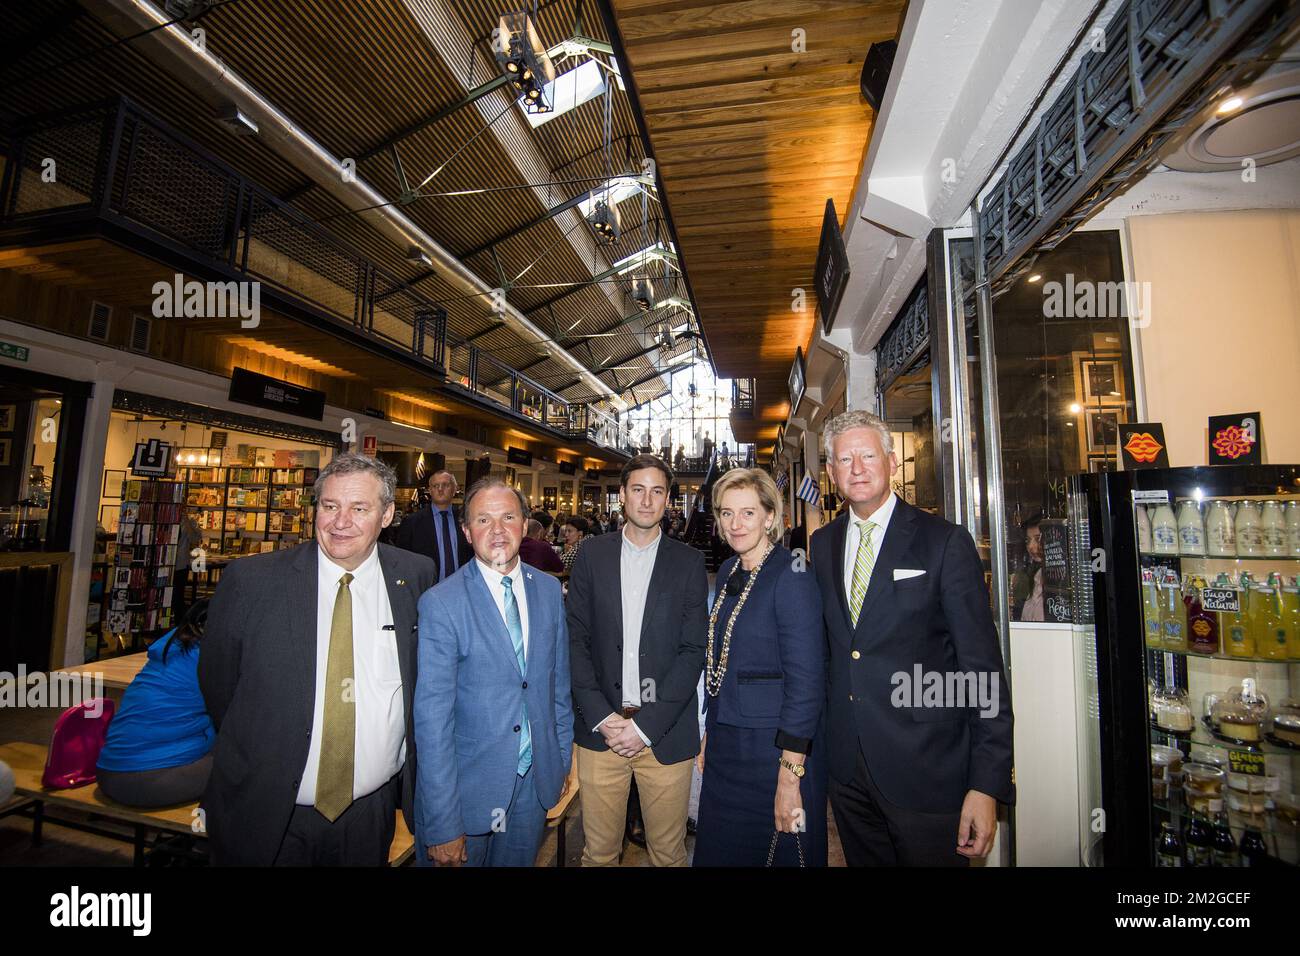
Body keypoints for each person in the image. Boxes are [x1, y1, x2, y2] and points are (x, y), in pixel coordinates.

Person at [199, 454, 436, 865]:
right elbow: (220, 689)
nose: (340, 522)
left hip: (370, 813)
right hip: (268, 811)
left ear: (387, 515)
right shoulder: (252, 582)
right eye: (329, 506)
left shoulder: (414, 575)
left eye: (359, 508)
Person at [810, 410, 1013, 866]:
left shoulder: (943, 542)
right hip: (848, 772)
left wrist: (986, 784)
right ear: (831, 471)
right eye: (844, 460)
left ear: (893, 461)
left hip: (928, 772)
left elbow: (980, 669)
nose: (857, 468)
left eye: (868, 455)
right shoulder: (822, 546)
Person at [414, 479, 573, 867]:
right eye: (483, 520)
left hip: (532, 787)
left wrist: (560, 759)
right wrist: (442, 822)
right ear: (467, 532)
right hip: (466, 795)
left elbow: (559, 689)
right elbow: (432, 721)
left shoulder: (549, 593)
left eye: (508, 517)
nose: (498, 530)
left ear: (525, 524)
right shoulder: (441, 603)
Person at [567, 454, 708, 867]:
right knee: (598, 856)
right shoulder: (591, 556)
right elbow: (575, 639)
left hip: (664, 734)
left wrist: (645, 726)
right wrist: (600, 715)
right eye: (638, 490)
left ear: (669, 501)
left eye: (658, 491)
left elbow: (692, 651)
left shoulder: (688, 562)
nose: (647, 501)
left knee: (668, 855)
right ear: (622, 496)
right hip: (601, 733)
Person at [693, 469, 825, 867]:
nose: (736, 524)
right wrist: (708, 734)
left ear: (770, 516)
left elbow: (806, 682)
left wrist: (790, 775)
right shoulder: (733, 569)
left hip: (773, 753)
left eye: (748, 513)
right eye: (727, 513)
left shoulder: (792, 573)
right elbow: (721, 658)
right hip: (726, 748)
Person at [96, 600, 215, 808]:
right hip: (147, 781)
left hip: (108, 769)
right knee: (248, 762)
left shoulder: (172, 649)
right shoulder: (208, 659)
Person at [395, 470, 472, 583]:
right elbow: (401, 559)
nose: (440, 489)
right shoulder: (412, 522)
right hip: (425, 588)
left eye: (445, 485)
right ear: (430, 490)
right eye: (435, 486)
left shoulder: (466, 520)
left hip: (461, 587)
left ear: (454, 489)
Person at [1011, 512, 1046, 622]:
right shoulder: (1036, 576)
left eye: (1037, 539)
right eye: (1028, 540)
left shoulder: (1059, 580)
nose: (1031, 546)